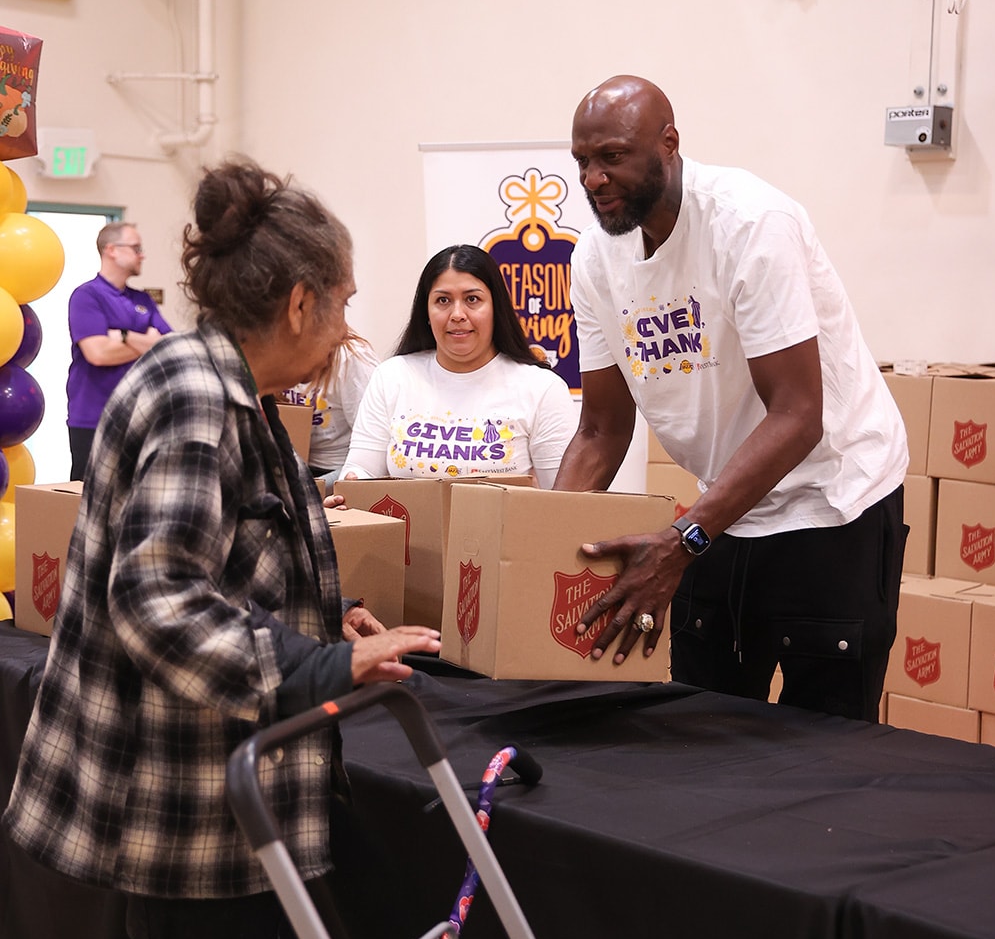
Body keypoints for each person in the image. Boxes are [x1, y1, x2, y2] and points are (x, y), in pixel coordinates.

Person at [2, 159, 441, 939]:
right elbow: (158, 596)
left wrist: (328, 615)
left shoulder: (231, 388)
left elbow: (232, 553)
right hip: (186, 808)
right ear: (299, 302)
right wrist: (316, 667)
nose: (350, 326)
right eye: (343, 301)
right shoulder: (195, 395)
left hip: (215, 794)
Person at [554, 75, 909, 723]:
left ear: (669, 144)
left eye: (611, 157)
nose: (593, 179)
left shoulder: (749, 222)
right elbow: (602, 429)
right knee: (699, 723)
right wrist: (539, 550)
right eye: (582, 161)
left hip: (832, 505)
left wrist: (682, 539)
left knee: (821, 748)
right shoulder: (595, 260)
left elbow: (800, 415)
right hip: (726, 505)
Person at [339, 244, 578, 489]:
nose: (457, 314)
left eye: (472, 299)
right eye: (443, 300)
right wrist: (351, 484)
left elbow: (558, 498)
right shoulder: (392, 377)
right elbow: (362, 470)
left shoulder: (542, 388)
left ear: (497, 309)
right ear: (426, 312)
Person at [66, 220, 173, 479]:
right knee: (87, 502)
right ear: (111, 250)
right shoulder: (87, 296)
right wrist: (146, 342)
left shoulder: (142, 300)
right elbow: (98, 354)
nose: (142, 254)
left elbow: (169, 347)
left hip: (139, 419)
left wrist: (122, 336)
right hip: (94, 419)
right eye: (136, 248)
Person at [280, 328, 379, 489]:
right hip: (292, 465)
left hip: (335, 469)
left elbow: (374, 450)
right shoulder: (275, 348)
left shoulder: (350, 358)